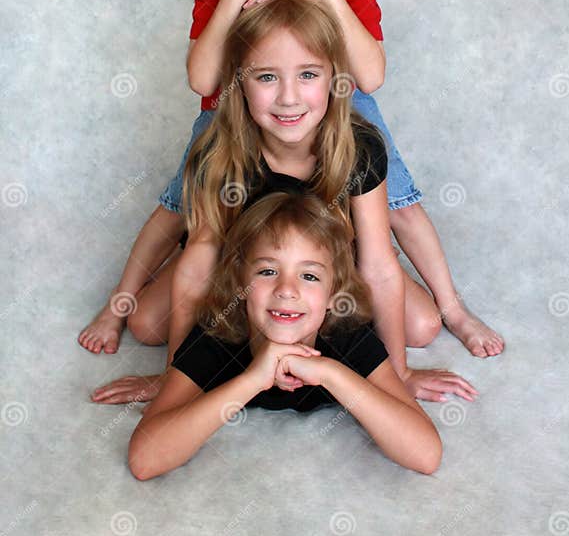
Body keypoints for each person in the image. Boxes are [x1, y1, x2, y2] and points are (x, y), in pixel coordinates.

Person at [83, 0, 503, 364]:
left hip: (335, 95)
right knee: (180, 206)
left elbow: (371, 76)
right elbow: (203, 80)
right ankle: (123, 301)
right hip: (239, 100)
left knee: (398, 203)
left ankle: (449, 304)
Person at [92, 0, 479, 408]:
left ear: (335, 78)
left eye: (308, 74)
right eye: (266, 77)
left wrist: (398, 376)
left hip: (321, 266)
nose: (289, 99)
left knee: (421, 326)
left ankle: (334, 273)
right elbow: (200, 262)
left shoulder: (359, 148)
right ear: (239, 82)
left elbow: (379, 265)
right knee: (147, 325)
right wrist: (176, 379)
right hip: (243, 265)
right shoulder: (220, 152)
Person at [128, 192, 443, 481]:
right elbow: (144, 460)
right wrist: (253, 379)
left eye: (309, 276)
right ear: (240, 283)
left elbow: (426, 455)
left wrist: (331, 373)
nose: (287, 290)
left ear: (334, 294)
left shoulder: (347, 334)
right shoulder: (219, 333)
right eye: (268, 272)